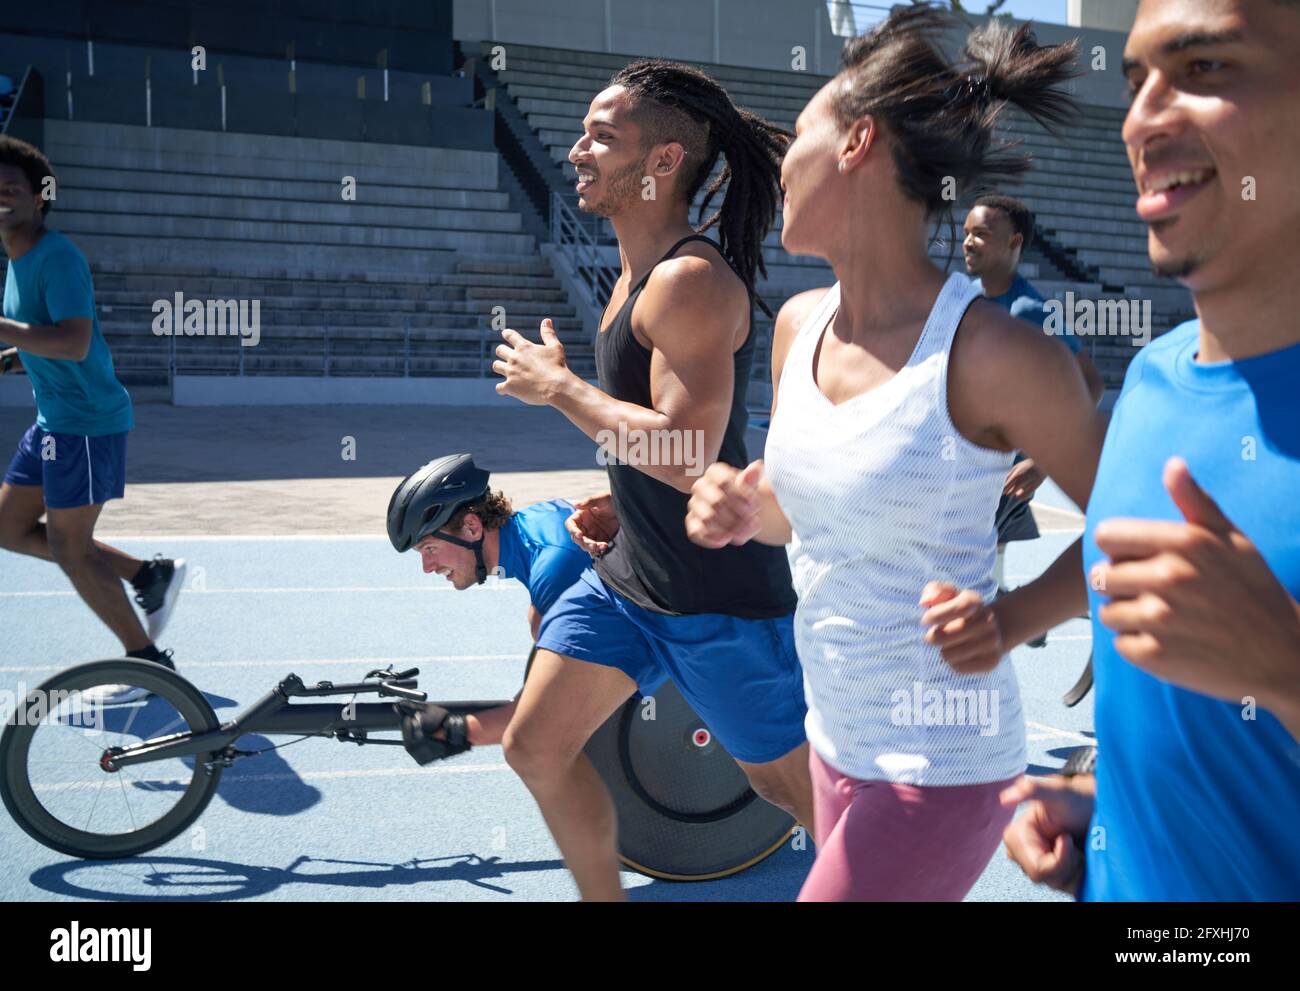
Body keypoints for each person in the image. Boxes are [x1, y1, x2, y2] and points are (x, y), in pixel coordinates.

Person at [685, 7, 1108, 901]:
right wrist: (742, 509)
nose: (778, 156)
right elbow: (798, 511)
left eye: (798, 133)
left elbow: (1133, 518)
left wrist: (1017, 615)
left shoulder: (989, 353)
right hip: (835, 744)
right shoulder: (797, 328)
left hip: (942, 764)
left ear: (856, 142)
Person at [998, 0, 1300, 901]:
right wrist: (1108, 804)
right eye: (1134, 83)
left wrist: (1285, 671)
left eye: (1205, 69)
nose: (1142, 118)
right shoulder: (1154, 381)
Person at [490, 58, 812, 900]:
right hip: (634, 580)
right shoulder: (633, 274)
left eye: (603, 136)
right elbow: (649, 448)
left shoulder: (690, 280)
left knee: (790, 791)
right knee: (534, 744)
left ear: (663, 162)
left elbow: (689, 453)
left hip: (720, 597)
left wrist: (562, 389)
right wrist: (623, 500)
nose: (576, 151)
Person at [0, 135, 184, 704]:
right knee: (6, 528)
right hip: (53, 421)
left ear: (39, 198)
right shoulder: (15, 258)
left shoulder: (57, 257)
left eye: (11, 189)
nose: (0, 198)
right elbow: (42, 334)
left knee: (70, 549)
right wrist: (15, 353)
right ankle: (146, 576)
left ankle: (149, 666)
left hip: (85, 424)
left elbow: (75, 342)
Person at [386, 453, 592, 756]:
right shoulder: (535, 525)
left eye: (429, 549)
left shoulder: (555, 565)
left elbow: (545, 714)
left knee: (528, 752)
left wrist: (456, 732)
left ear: (471, 527)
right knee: (541, 621)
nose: (427, 567)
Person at [964, 193, 1105, 629]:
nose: (968, 242)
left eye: (982, 234)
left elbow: (1091, 384)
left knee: (968, 572)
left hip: (996, 469)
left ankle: (1026, 612)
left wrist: (1040, 464)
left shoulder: (1031, 311)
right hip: (962, 462)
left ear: (1014, 243)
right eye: (967, 232)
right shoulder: (963, 297)